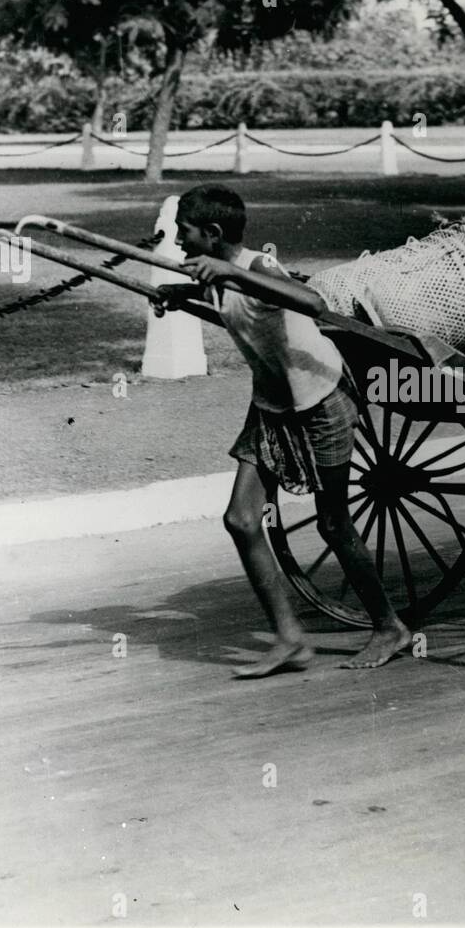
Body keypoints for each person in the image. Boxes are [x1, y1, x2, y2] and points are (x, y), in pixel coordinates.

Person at [173, 184, 411, 678]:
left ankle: (390, 627)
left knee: (333, 523)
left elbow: (312, 302)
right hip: (272, 402)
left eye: (185, 231)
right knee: (241, 519)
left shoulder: (256, 267)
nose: (177, 239)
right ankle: (290, 640)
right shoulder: (218, 273)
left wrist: (231, 271)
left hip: (321, 398)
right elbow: (233, 305)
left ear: (214, 235)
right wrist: (177, 294)